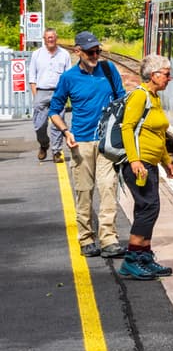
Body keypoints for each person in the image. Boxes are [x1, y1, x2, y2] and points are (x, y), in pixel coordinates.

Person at [47, 31, 126, 258]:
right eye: (90, 52)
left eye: (97, 51)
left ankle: (109, 238)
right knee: (84, 191)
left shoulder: (109, 71)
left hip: (106, 142)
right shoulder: (69, 78)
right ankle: (86, 238)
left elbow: (122, 101)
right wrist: (65, 132)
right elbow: (54, 110)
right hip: (80, 141)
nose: (95, 55)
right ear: (77, 52)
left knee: (109, 187)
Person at [117, 54, 173, 280]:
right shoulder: (139, 97)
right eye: (167, 74)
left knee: (149, 209)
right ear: (154, 75)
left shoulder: (154, 97)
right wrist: (134, 161)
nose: (169, 79)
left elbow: (159, 135)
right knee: (147, 208)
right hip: (139, 165)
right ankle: (131, 261)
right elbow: (127, 128)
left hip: (150, 164)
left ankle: (144, 257)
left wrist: (166, 161)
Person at [28, 28, 72, 162]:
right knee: (39, 125)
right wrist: (36, 95)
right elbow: (32, 77)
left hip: (58, 92)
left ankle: (56, 151)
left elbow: (68, 76)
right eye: (48, 37)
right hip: (41, 91)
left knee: (57, 124)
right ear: (44, 39)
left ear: (56, 38)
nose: (50, 39)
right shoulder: (37, 54)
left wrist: (66, 93)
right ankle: (43, 144)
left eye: (52, 37)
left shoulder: (64, 54)